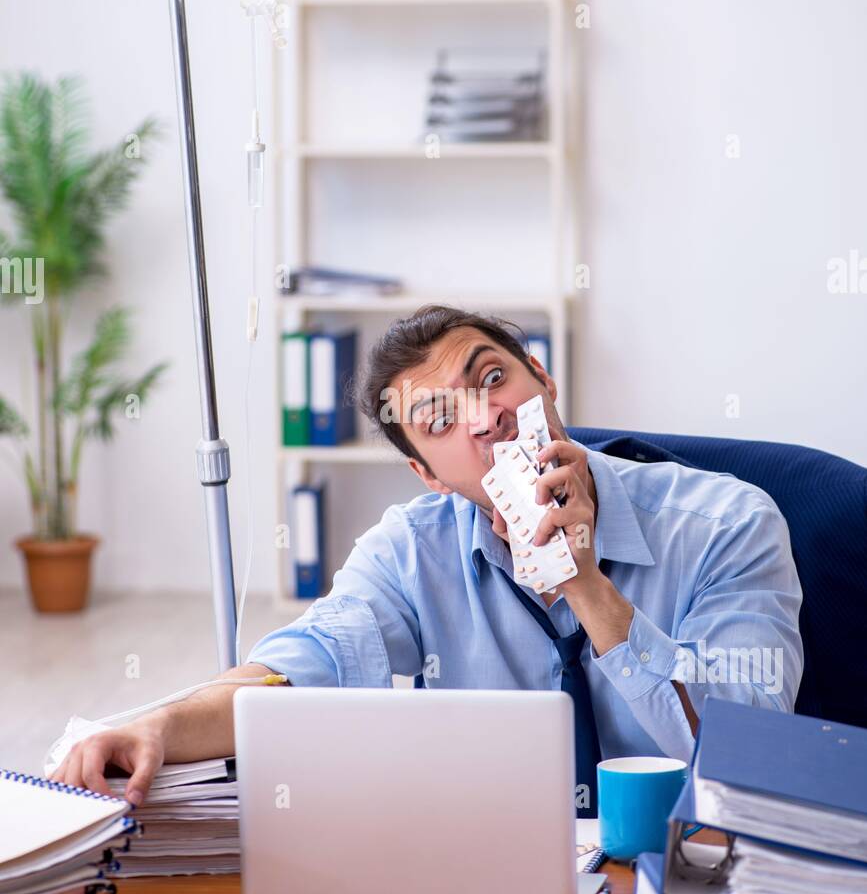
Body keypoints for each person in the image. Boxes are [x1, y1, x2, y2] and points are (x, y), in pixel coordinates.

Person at [49, 304, 803, 808]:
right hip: (507, 879)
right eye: (438, 419)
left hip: (692, 870)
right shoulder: (412, 550)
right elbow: (299, 664)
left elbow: (747, 748)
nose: (482, 417)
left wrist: (585, 585)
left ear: (542, 380)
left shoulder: (727, 523)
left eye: (492, 377)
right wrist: (153, 726)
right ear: (429, 475)